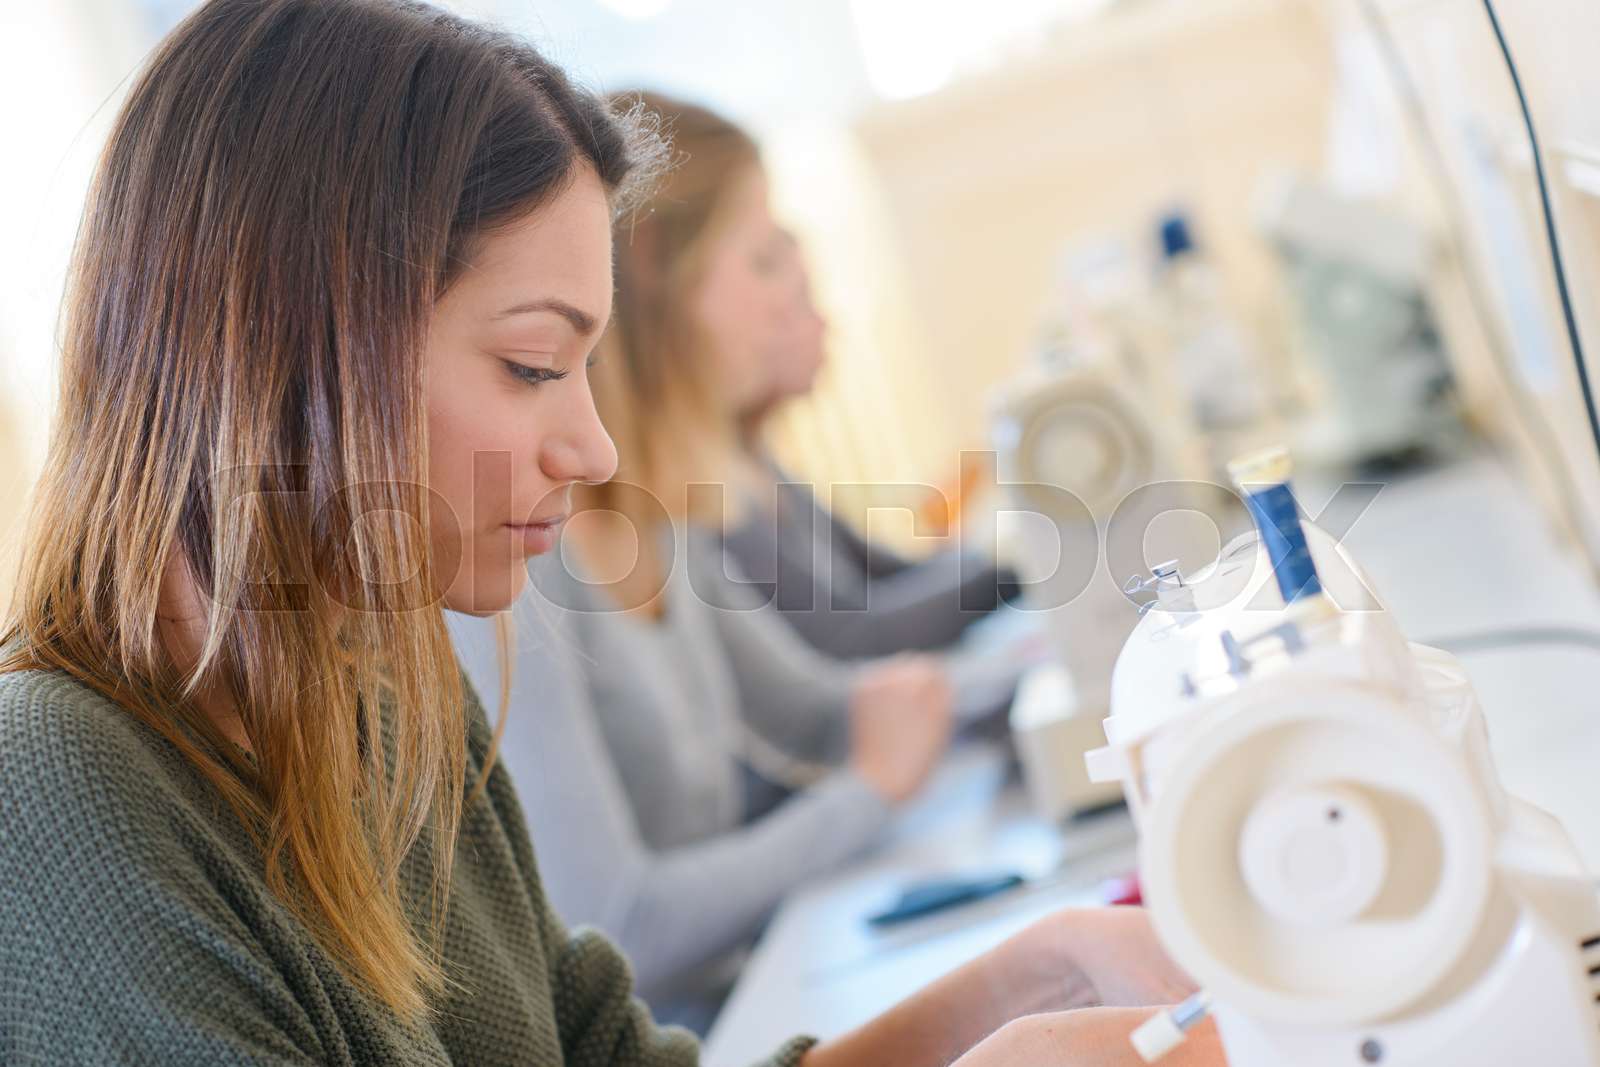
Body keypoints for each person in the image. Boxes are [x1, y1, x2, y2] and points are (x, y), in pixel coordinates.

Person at [0, 2, 1224, 1065]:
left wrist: (1040, 974)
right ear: (290, 345)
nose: (595, 451)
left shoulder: (387, 694)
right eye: (533, 363)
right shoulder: (55, 784)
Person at [611, 93, 1022, 659]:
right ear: (661, 277)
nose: (801, 312)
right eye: (763, 264)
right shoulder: (687, 495)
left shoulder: (738, 462)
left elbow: (880, 581)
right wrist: (1021, 555)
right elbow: (852, 639)